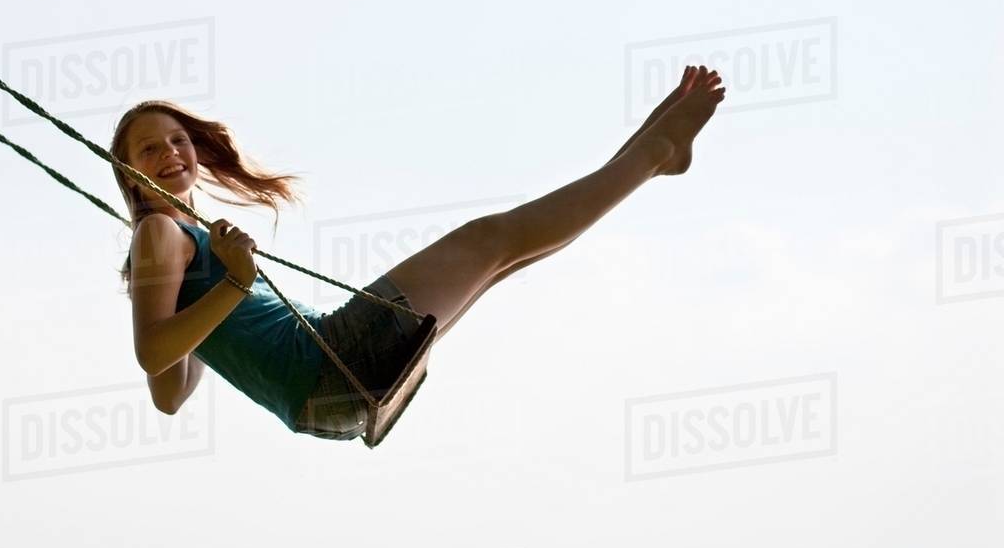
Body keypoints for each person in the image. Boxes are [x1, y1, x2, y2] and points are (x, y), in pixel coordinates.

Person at [111, 65, 726, 441]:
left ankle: (644, 156)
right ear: (133, 178)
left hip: (326, 402)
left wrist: (215, 310)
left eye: (178, 138)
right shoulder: (159, 235)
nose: (170, 152)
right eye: (148, 150)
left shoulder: (183, 239)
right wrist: (234, 284)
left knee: (501, 259)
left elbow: (171, 392)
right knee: (494, 240)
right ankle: (655, 155)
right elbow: (153, 358)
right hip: (332, 361)